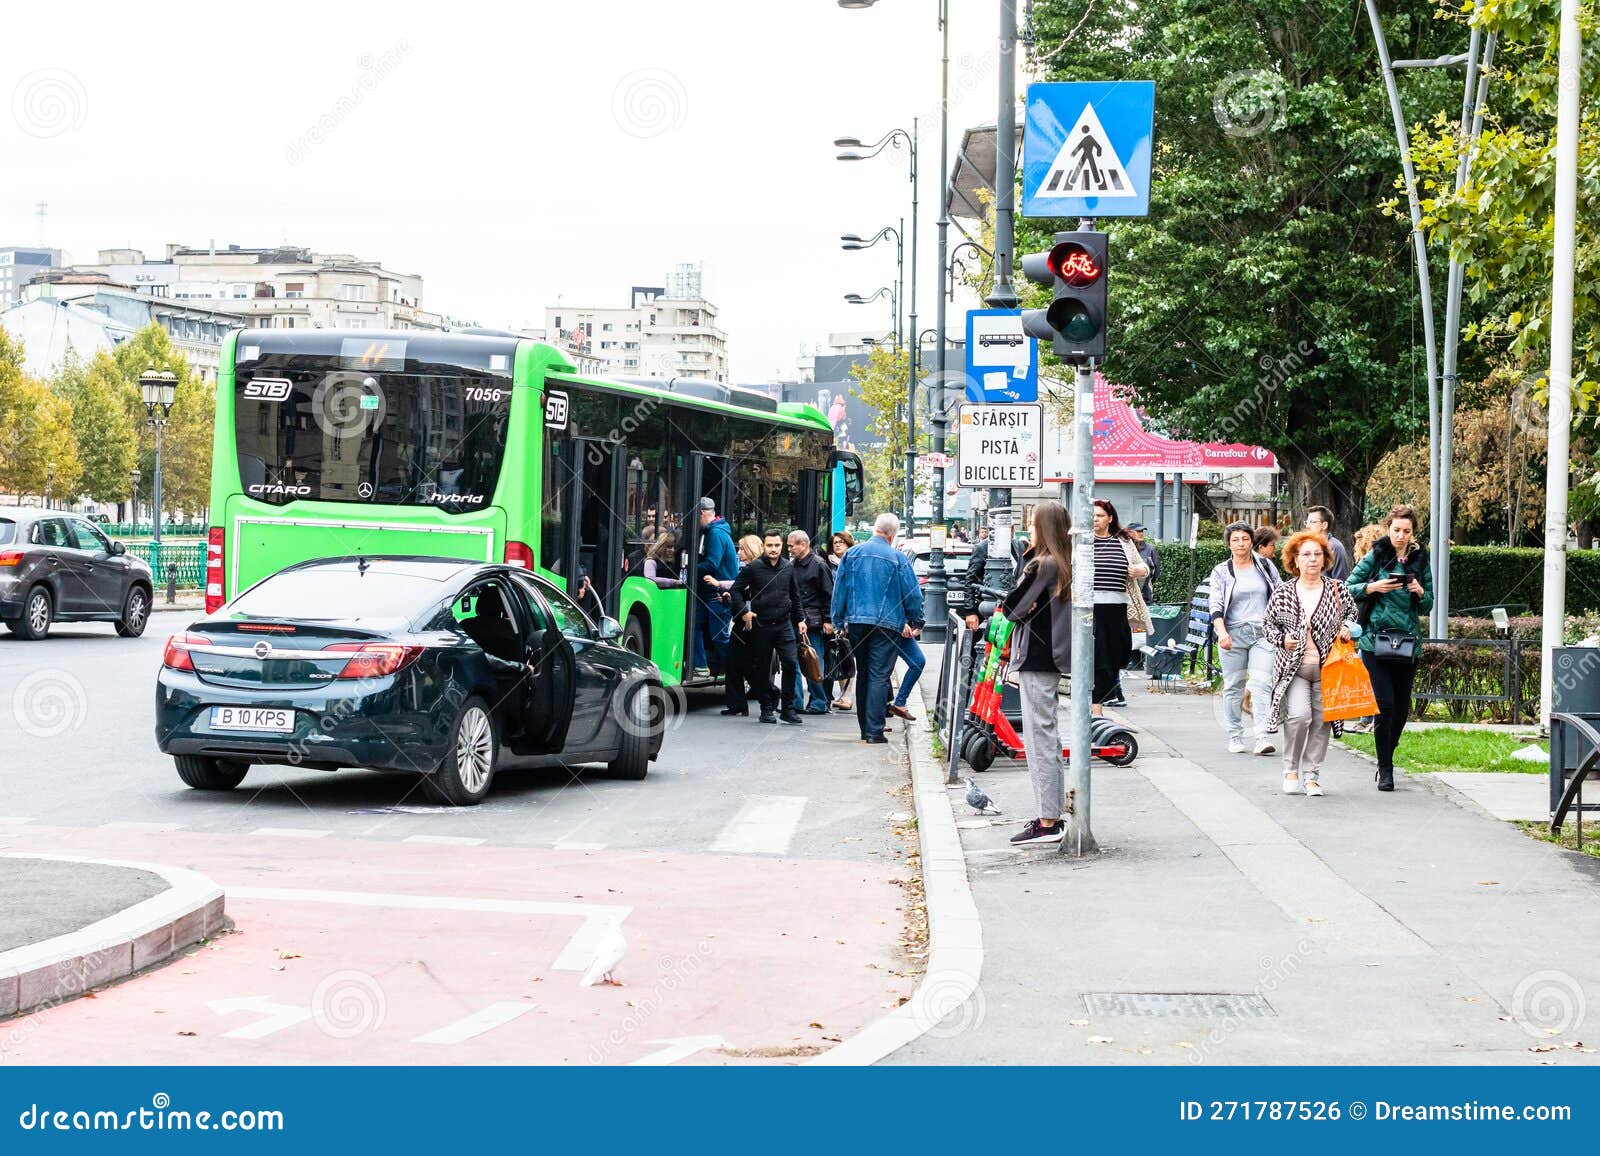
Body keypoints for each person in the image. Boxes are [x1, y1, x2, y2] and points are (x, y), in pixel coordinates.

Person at [997, 502, 1077, 847]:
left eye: (1031, 524)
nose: (1028, 529)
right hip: (1053, 655)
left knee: (1039, 738)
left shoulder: (1041, 563)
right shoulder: (1065, 562)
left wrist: (1021, 599)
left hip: (1036, 657)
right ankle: (1051, 813)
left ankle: (1049, 820)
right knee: (1047, 736)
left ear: (1042, 528)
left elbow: (1011, 607)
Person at [1262, 530, 1358, 797]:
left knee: (1321, 720)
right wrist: (1283, 639)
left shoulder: (1337, 589)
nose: (1312, 559)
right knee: (1300, 716)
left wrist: (1348, 627)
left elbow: (1352, 613)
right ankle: (1290, 769)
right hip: (1295, 669)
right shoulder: (1283, 592)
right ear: (1295, 559)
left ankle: (1312, 776)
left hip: (1329, 668)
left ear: (1325, 558)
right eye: (1306, 554)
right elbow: (1268, 625)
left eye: (1318, 554)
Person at [1346, 504, 1433, 792]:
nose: (1401, 536)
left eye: (1406, 531)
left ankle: (1387, 752)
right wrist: (1374, 587)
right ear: (1388, 529)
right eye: (1396, 530)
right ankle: (1385, 769)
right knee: (1384, 705)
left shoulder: (1421, 560)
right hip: (1375, 641)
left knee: (1402, 710)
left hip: (1407, 642)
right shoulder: (1376, 555)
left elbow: (1429, 603)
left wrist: (1419, 591)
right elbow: (1348, 586)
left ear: (1413, 533)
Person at [831, 512, 923, 744]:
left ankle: (865, 729)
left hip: (857, 622)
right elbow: (912, 593)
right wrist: (916, 620)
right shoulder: (897, 558)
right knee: (879, 675)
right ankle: (874, 731)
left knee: (863, 673)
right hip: (887, 624)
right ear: (892, 535)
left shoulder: (851, 555)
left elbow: (839, 590)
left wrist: (838, 621)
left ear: (875, 529)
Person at [1209, 521, 1283, 755]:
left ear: (1252, 541)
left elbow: (1280, 594)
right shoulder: (1222, 571)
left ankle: (1261, 737)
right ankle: (1235, 734)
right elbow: (1216, 604)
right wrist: (1222, 633)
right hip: (1232, 633)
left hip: (1263, 633)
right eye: (1235, 540)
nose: (1241, 543)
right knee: (1234, 687)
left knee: (1261, 684)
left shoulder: (1265, 565)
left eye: (1245, 539)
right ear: (1228, 544)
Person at [730, 531, 806, 726]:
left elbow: (795, 595)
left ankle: (788, 709)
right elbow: (736, 590)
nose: (773, 549)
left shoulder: (788, 567)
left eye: (777, 545)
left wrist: (800, 620)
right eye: (770, 545)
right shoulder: (753, 568)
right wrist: (743, 612)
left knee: (790, 662)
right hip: (761, 625)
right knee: (762, 668)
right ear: (764, 546)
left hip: (784, 624)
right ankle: (766, 708)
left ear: (782, 546)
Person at [1090, 499, 1149, 716]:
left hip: (1118, 608)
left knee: (1117, 655)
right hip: (1090, 609)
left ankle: (1101, 702)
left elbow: (1143, 566)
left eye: (1100, 516)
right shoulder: (1082, 540)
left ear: (1110, 518)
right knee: (1098, 658)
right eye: (1092, 515)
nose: (1095, 519)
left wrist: (1140, 570)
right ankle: (1096, 710)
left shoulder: (1123, 541)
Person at [787, 530, 835, 714]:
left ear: (803, 544)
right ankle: (798, 702)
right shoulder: (794, 564)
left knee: (814, 660)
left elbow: (828, 594)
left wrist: (828, 620)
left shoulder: (818, 565)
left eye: (792, 545)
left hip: (813, 620)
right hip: (798, 617)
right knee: (798, 660)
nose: (789, 549)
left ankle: (818, 702)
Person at [719, 535, 767, 716]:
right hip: (744, 620)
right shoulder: (748, 569)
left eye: (742, 549)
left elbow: (748, 593)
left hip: (750, 621)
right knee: (739, 664)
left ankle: (762, 695)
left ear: (751, 550)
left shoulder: (754, 570)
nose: (738, 552)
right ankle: (740, 702)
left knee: (740, 663)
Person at [694, 498, 739, 677]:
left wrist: (690, 567)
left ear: (702, 514)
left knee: (719, 637)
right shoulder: (712, 531)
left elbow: (712, 564)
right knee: (694, 626)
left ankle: (736, 672)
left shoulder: (715, 534)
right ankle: (700, 666)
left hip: (717, 595)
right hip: (709, 594)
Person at [826, 531, 857, 709]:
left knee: (848, 656)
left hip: (849, 615)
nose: (837, 545)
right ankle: (843, 695)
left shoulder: (852, 563)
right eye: (835, 542)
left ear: (848, 544)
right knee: (841, 655)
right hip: (835, 613)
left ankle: (847, 696)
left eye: (841, 542)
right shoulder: (828, 564)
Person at [1304, 505, 1351, 580]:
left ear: (1324, 525)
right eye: (1306, 522)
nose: (1307, 526)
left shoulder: (1335, 548)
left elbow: (1340, 583)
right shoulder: (1305, 547)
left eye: (1312, 522)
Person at [1126, 522, 1160, 603]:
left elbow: (1156, 572)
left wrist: (1146, 582)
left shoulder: (1150, 549)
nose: (1141, 533)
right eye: (1138, 531)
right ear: (1130, 533)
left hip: (1145, 595)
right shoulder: (1124, 548)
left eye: (1142, 531)